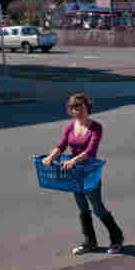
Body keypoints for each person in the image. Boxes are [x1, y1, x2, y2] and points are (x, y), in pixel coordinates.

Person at [42, 93, 124, 255]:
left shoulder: (96, 127)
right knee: (82, 208)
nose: (77, 111)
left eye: (80, 108)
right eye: (74, 108)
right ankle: (90, 242)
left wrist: (74, 160)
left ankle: (117, 237)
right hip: (75, 173)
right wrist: (50, 157)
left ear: (87, 108)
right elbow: (61, 146)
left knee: (97, 208)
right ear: (70, 110)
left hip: (90, 172)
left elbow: (90, 151)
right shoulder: (70, 127)